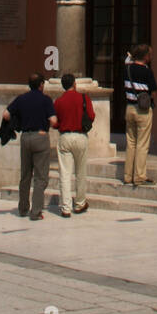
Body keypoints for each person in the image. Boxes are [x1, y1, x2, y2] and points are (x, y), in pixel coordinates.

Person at [2, 73, 57, 220]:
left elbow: (6, 114)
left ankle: (23, 208)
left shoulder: (21, 99)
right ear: (41, 85)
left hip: (25, 137)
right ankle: (36, 211)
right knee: (40, 177)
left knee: (25, 175)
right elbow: (53, 120)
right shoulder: (45, 100)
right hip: (40, 137)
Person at [53, 73, 95, 218]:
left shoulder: (58, 101)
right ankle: (80, 203)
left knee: (65, 173)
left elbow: (55, 122)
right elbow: (91, 116)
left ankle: (66, 207)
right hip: (80, 136)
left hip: (65, 136)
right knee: (80, 172)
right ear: (74, 84)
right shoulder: (84, 98)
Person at [124, 43, 157, 187]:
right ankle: (139, 176)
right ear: (145, 56)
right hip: (143, 110)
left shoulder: (128, 69)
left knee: (131, 143)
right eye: (149, 54)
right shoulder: (146, 71)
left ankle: (127, 176)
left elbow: (127, 61)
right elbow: (154, 91)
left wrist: (130, 58)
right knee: (142, 144)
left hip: (129, 108)